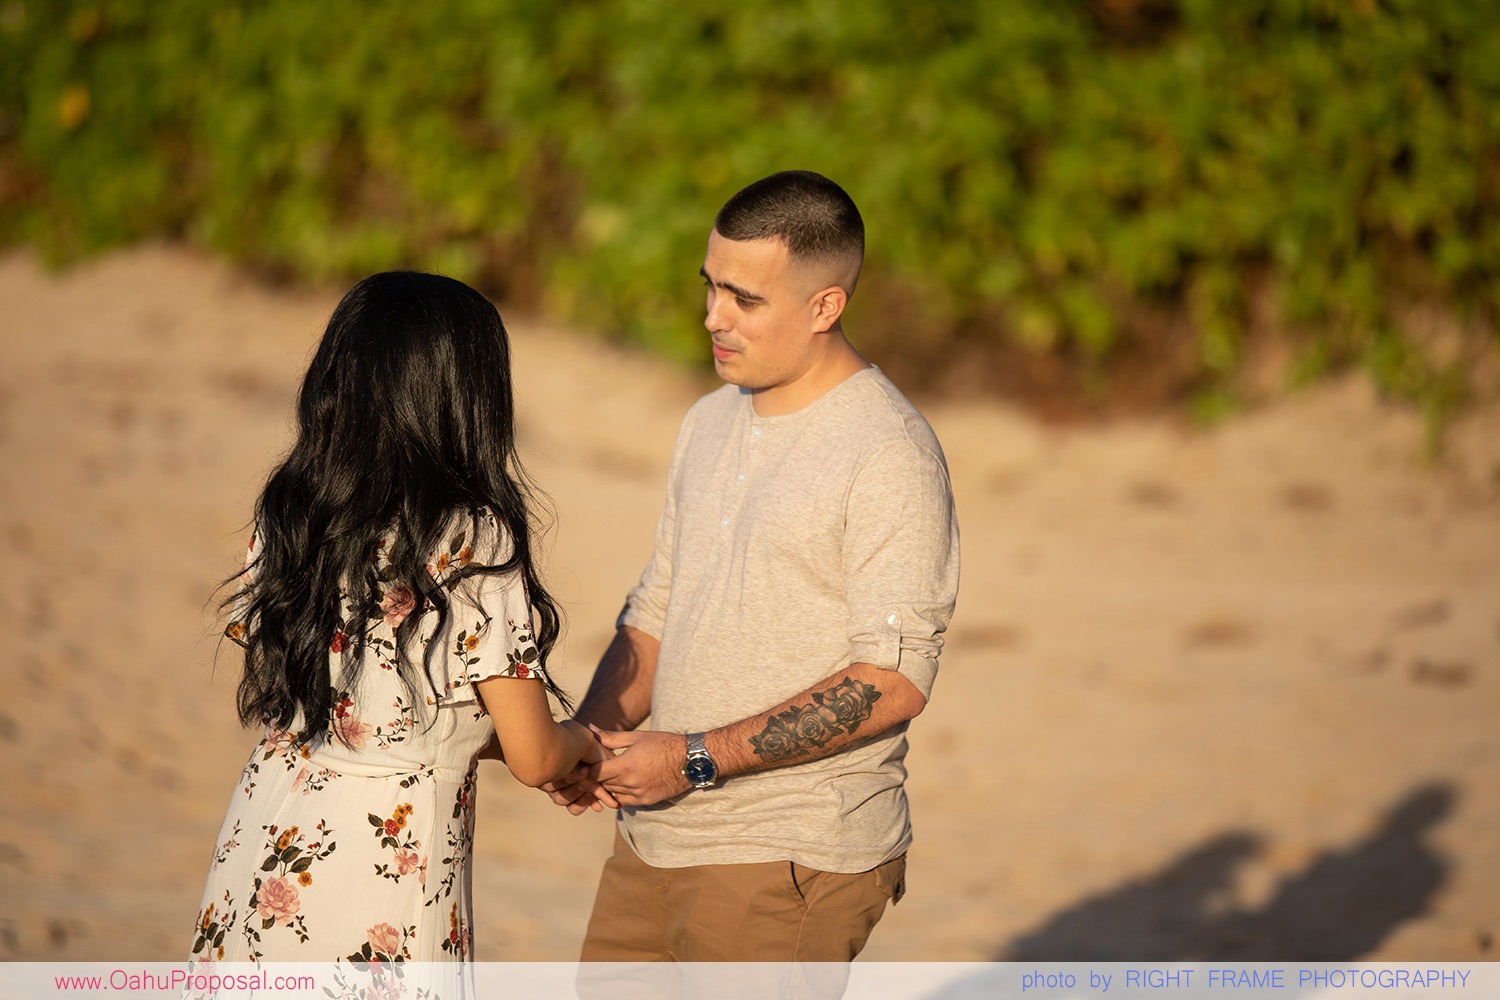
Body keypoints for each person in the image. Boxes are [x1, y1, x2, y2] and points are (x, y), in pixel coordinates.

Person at [547, 170, 961, 969]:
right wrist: (591, 740)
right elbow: (658, 608)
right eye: (710, 288)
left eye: (744, 298)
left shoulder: (888, 453)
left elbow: (894, 680)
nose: (713, 317)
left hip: (789, 857)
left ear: (825, 306)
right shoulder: (708, 421)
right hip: (652, 845)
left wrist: (692, 759)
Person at [188, 271, 603, 970]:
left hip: (262, 838)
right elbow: (533, 756)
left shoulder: (292, 510)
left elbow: (351, 703)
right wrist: (580, 745)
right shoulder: (474, 534)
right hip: (385, 866)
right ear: (466, 398)